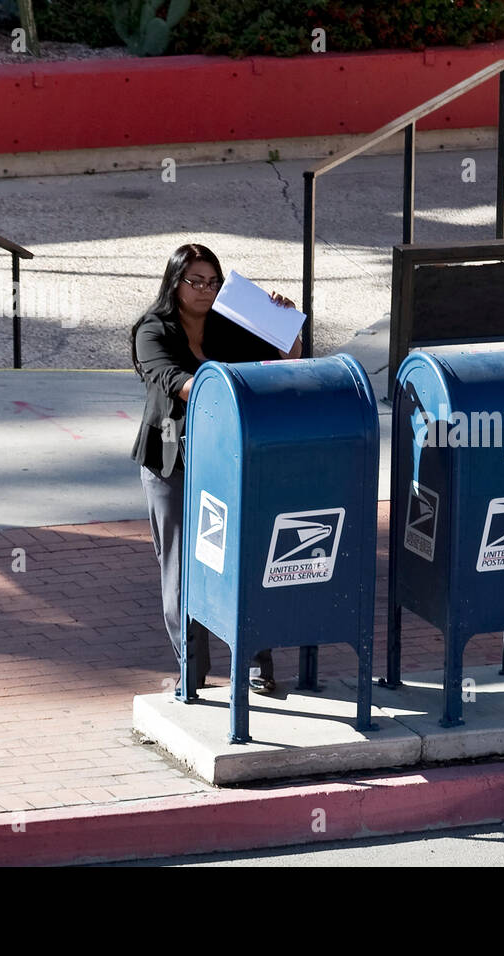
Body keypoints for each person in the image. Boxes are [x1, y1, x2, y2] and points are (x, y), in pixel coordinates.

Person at [130, 243, 301, 699]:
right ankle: (194, 672)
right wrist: (220, 381)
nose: (205, 290)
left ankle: (257, 661)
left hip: (229, 456)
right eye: (195, 281)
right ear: (175, 284)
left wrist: (281, 322)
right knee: (182, 566)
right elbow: (170, 379)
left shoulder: (228, 325)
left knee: (243, 557)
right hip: (173, 459)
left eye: (213, 282)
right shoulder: (152, 329)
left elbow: (285, 362)